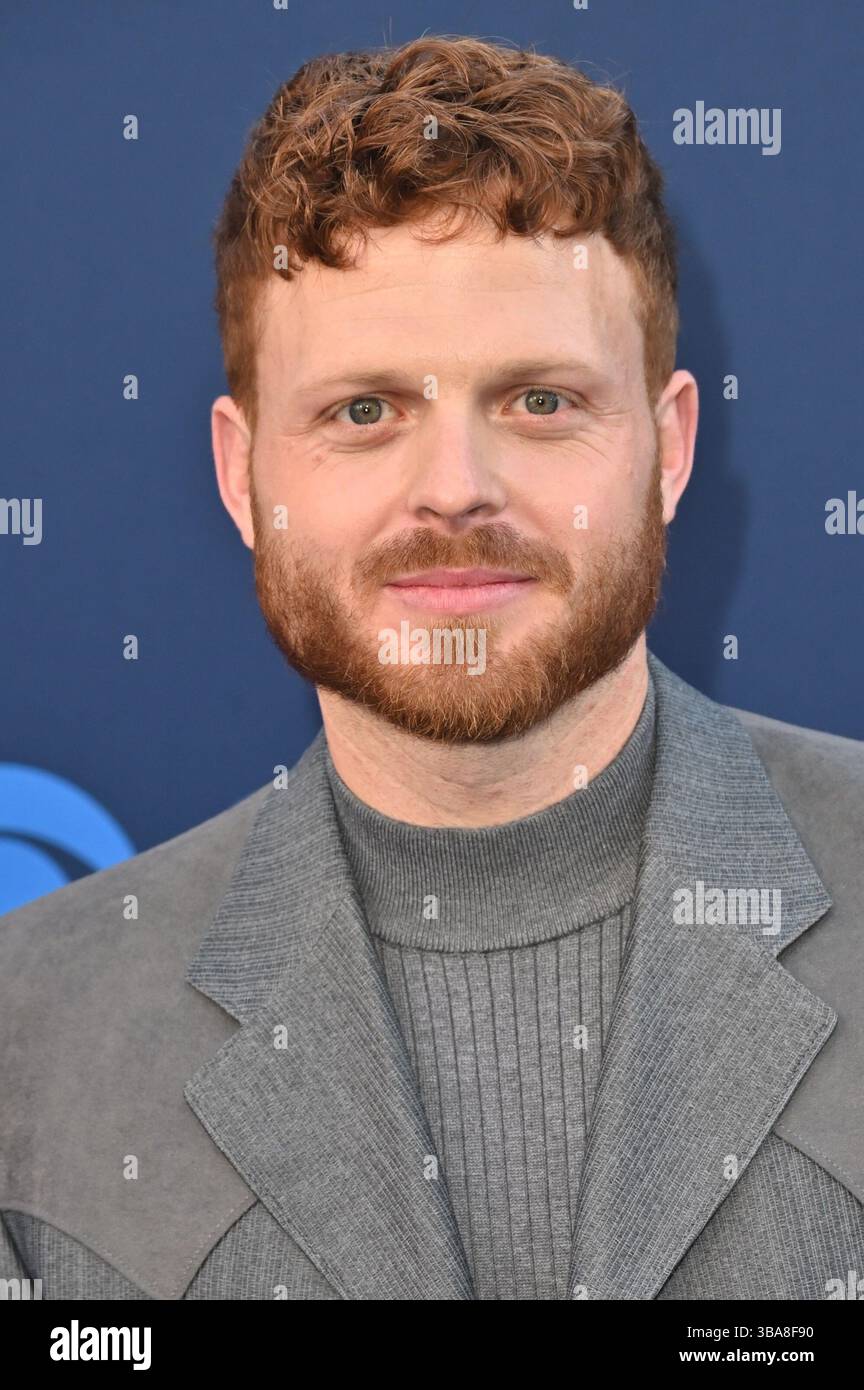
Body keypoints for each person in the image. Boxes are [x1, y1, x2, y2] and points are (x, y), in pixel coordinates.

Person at [1, 35, 862, 1302]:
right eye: (365, 412)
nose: (455, 489)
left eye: (540, 402)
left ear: (669, 449)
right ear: (243, 476)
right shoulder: (31, 1042)